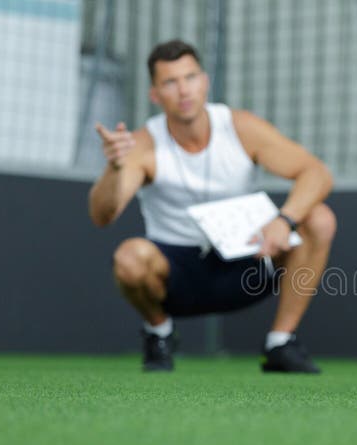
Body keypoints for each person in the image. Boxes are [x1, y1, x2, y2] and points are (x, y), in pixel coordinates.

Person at [89, 40, 336, 373]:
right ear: (155, 94)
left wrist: (284, 220)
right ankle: (159, 332)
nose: (183, 90)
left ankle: (280, 342)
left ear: (205, 82)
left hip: (247, 264)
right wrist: (114, 169)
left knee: (319, 219)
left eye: (190, 77)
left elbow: (316, 172)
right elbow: (103, 215)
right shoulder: (143, 144)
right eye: (170, 82)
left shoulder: (240, 128)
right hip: (176, 276)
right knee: (128, 258)